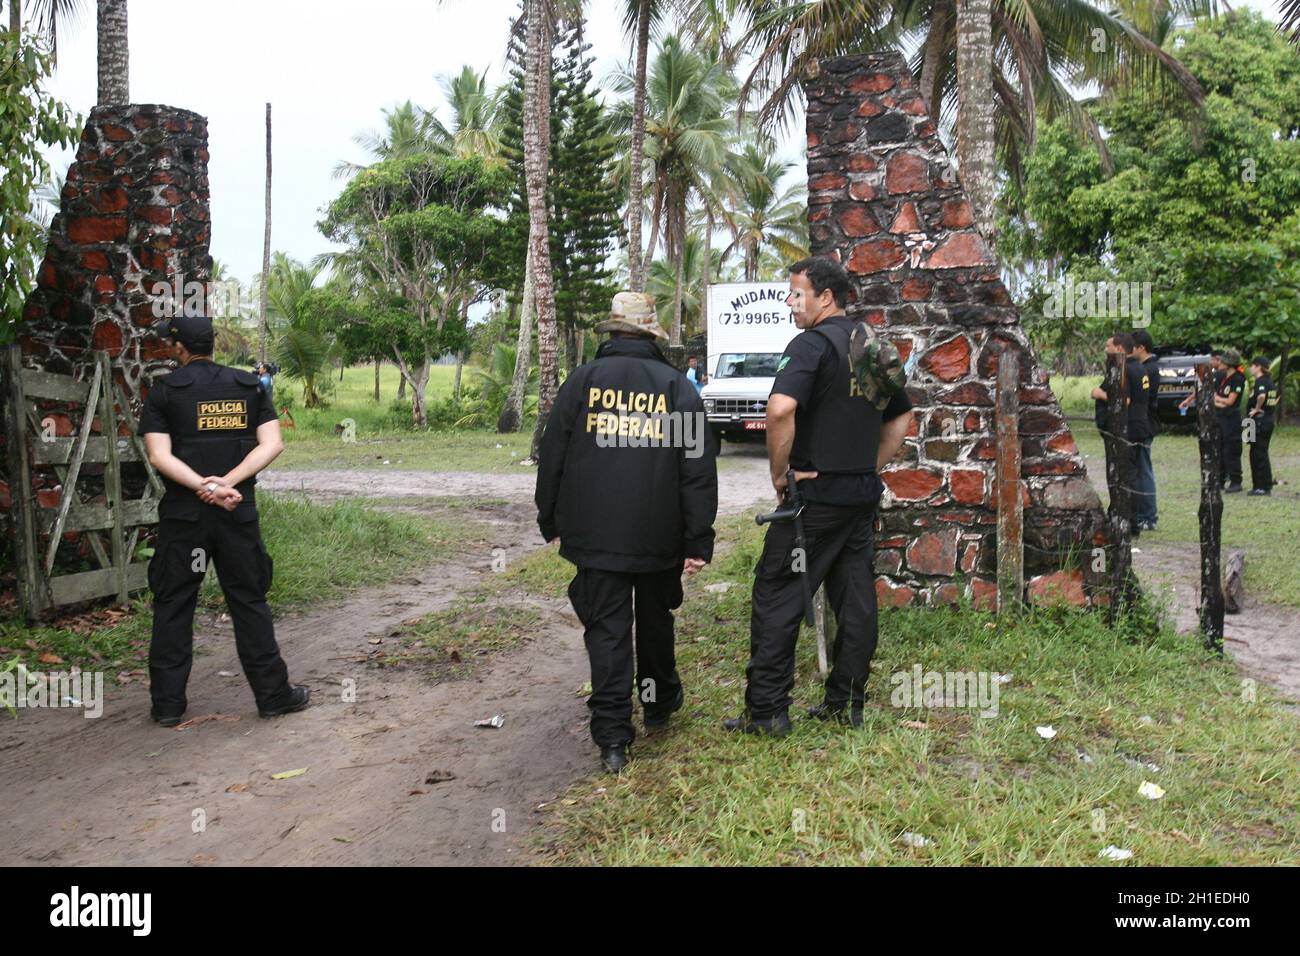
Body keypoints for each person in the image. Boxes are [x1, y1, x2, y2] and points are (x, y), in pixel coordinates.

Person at [724, 257, 913, 736]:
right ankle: (846, 703)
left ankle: (767, 712)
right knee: (855, 599)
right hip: (859, 497)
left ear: (824, 296)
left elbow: (781, 408)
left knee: (778, 593)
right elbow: (901, 418)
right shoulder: (872, 345)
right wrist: (867, 467)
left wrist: (779, 473)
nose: (790, 303)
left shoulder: (809, 345)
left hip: (813, 499)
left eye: (796, 294)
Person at [535, 292, 718, 773]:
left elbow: (551, 453)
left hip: (595, 535)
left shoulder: (582, 383)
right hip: (659, 536)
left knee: (608, 633)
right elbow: (696, 470)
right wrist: (698, 539)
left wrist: (549, 518)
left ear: (613, 334)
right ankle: (658, 704)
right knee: (655, 621)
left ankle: (614, 739)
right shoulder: (678, 389)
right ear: (651, 335)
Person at [139, 315, 310, 727]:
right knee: (248, 601)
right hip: (236, 513)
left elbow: (159, 457)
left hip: (185, 519)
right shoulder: (248, 386)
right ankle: (273, 696)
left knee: (174, 602)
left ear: (179, 348)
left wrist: (203, 486)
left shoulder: (164, 392)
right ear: (214, 344)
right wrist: (227, 484)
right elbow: (273, 444)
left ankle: (167, 705)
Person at [1090, 333, 1152, 535]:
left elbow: (1124, 400)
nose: (1105, 349)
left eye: (1108, 345)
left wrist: (1100, 394)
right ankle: (1126, 517)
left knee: (1124, 475)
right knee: (1130, 473)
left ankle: (1128, 520)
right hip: (1136, 426)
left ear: (1119, 348)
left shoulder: (1126, 368)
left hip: (1127, 429)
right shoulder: (1138, 367)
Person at [1131, 330, 1160, 530]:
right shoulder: (1145, 368)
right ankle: (1142, 512)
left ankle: (1148, 516)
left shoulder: (1149, 369)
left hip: (1144, 424)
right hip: (1143, 423)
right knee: (1140, 468)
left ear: (1141, 348)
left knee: (1143, 470)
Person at [1215, 349, 1247, 493]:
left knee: (1231, 449)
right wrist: (1219, 401)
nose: (1219, 363)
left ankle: (1235, 480)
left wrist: (1217, 399)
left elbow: (1230, 401)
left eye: (1222, 361)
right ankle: (1220, 479)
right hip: (1220, 416)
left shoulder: (1238, 378)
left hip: (1231, 418)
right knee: (1219, 448)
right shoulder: (1222, 377)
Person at [1246, 356, 1278, 496]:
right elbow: (1278, 395)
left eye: (1252, 365)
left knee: (1257, 453)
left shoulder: (1261, 382)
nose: (1250, 368)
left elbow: (1261, 396)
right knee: (1260, 452)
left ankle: (1260, 486)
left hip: (1258, 421)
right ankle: (1265, 483)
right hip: (1265, 420)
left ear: (1258, 367)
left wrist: (1257, 408)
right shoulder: (1270, 382)